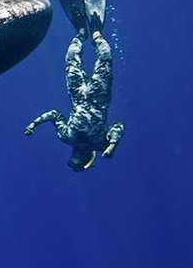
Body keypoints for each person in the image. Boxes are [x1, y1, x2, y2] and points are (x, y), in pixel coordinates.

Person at [24, 27, 124, 171]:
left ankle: (80, 35)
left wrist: (34, 124)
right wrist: (112, 145)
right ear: (87, 156)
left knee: (71, 61)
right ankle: (97, 35)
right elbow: (118, 126)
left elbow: (54, 115)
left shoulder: (66, 137)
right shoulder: (99, 144)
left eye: (74, 157)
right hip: (99, 96)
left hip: (77, 95)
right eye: (79, 158)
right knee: (105, 58)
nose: (77, 153)